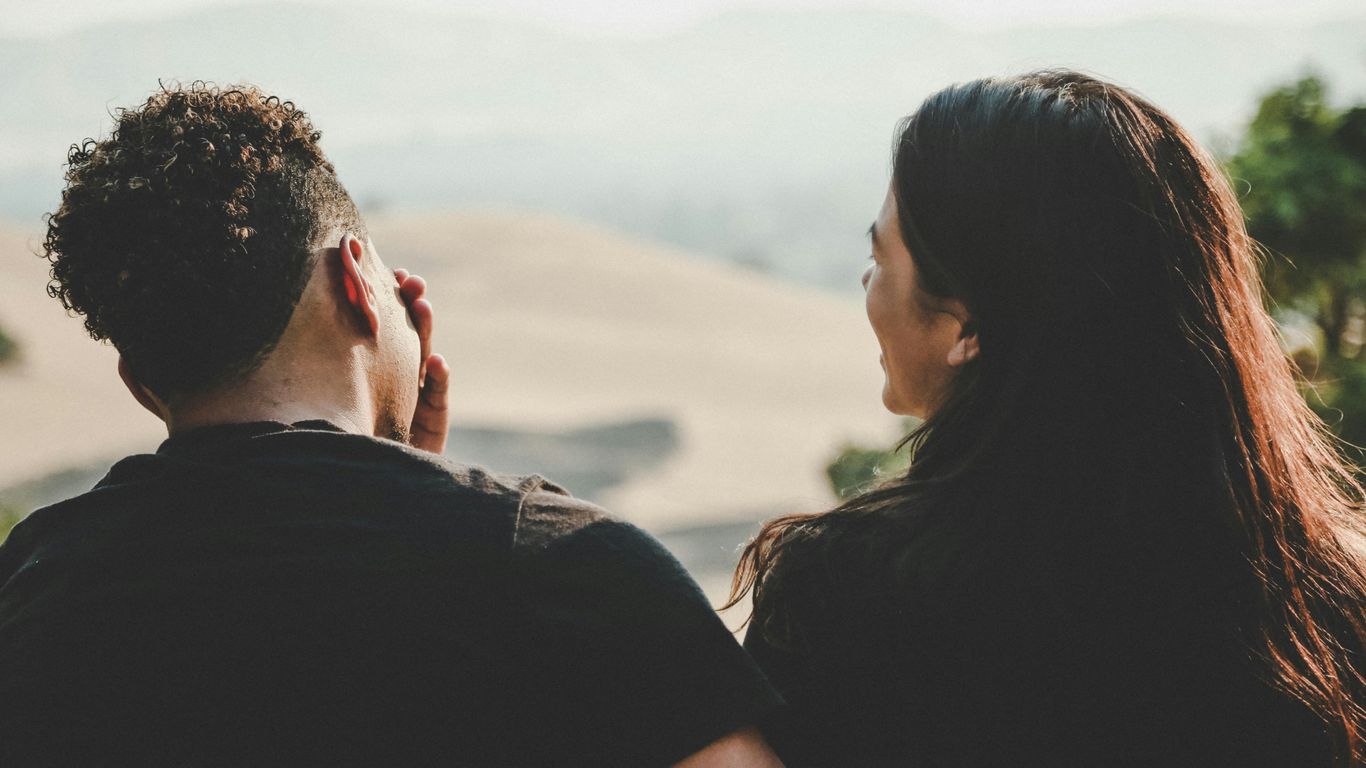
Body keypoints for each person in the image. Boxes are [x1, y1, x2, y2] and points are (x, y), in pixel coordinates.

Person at [0, 83, 783, 767]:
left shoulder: (34, 585)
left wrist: (392, 472)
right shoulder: (565, 568)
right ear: (358, 283)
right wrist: (419, 493)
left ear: (139, 381)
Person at [731, 70, 1366, 767]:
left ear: (965, 325)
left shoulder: (846, 597)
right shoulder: (1324, 599)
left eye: (880, 256)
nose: (866, 282)